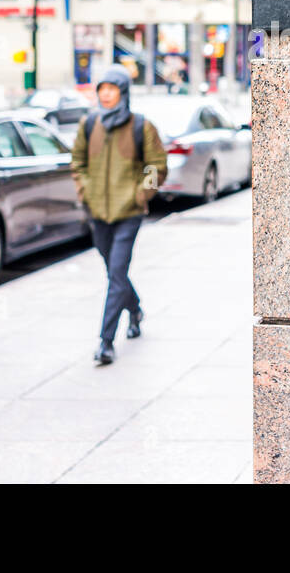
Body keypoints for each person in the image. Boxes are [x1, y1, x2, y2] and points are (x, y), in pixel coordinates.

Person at [71, 65, 167, 366]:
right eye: (102, 89)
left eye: (112, 88)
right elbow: (77, 163)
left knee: (115, 273)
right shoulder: (89, 124)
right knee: (116, 273)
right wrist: (85, 191)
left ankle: (106, 341)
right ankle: (135, 310)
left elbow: (157, 166)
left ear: (123, 92)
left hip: (129, 213)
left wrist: (141, 193)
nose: (106, 94)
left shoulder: (141, 126)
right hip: (97, 212)